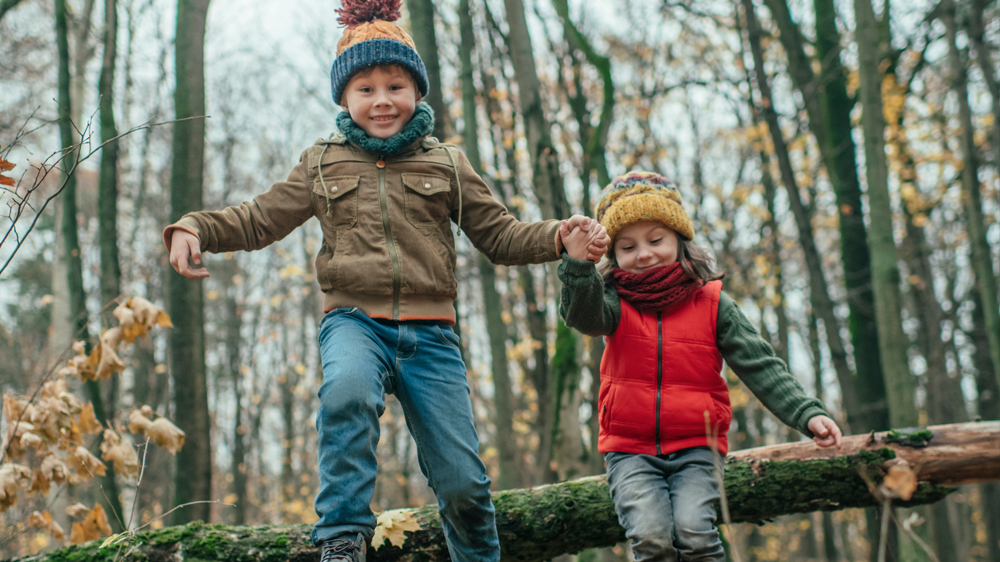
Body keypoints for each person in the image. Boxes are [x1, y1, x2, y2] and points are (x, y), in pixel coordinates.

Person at [163, 2, 609, 562]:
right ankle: (342, 537)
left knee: (465, 485)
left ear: (416, 91)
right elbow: (258, 218)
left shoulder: (446, 162)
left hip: (433, 337)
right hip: (353, 321)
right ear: (344, 98)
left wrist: (558, 238)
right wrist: (194, 226)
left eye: (395, 85)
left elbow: (500, 235)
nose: (381, 100)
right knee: (346, 392)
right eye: (365, 88)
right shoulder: (322, 163)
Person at [557, 171, 841, 562]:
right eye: (627, 247)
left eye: (656, 240)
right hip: (630, 451)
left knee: (694, 533)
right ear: (614, 255)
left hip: (696, 448)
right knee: (652, 538)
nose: (644, 254)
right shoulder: (614, 301)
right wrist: (577, 266)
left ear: (679, 239)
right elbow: (582, 317)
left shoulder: (713, 303)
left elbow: (760, 364)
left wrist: (807, 414)